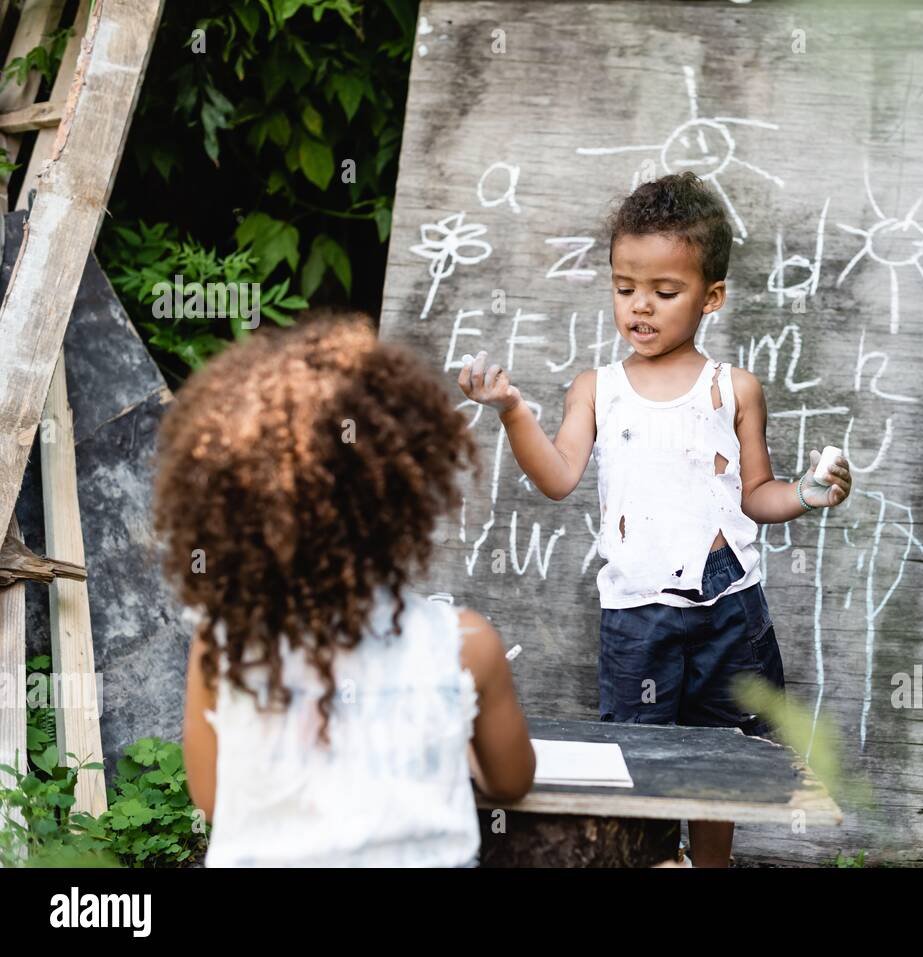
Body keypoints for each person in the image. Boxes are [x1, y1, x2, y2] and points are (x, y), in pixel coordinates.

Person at [457, 171, 851, 866]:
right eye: (624, 287)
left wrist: (809, 495)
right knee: (638, 765)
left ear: (712, 297)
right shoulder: (597, 389)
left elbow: (757, 493)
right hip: (636, 619)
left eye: (665, 293)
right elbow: (556, 478)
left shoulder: (734, 389)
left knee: (721, 766)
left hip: (730, 612)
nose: (641, 306)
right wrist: (514, 411)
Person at [165, 312, 534, 867]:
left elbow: (217, 801)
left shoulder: (224, 646)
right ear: (409, 502)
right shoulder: (464, 644)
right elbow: (510, 783)